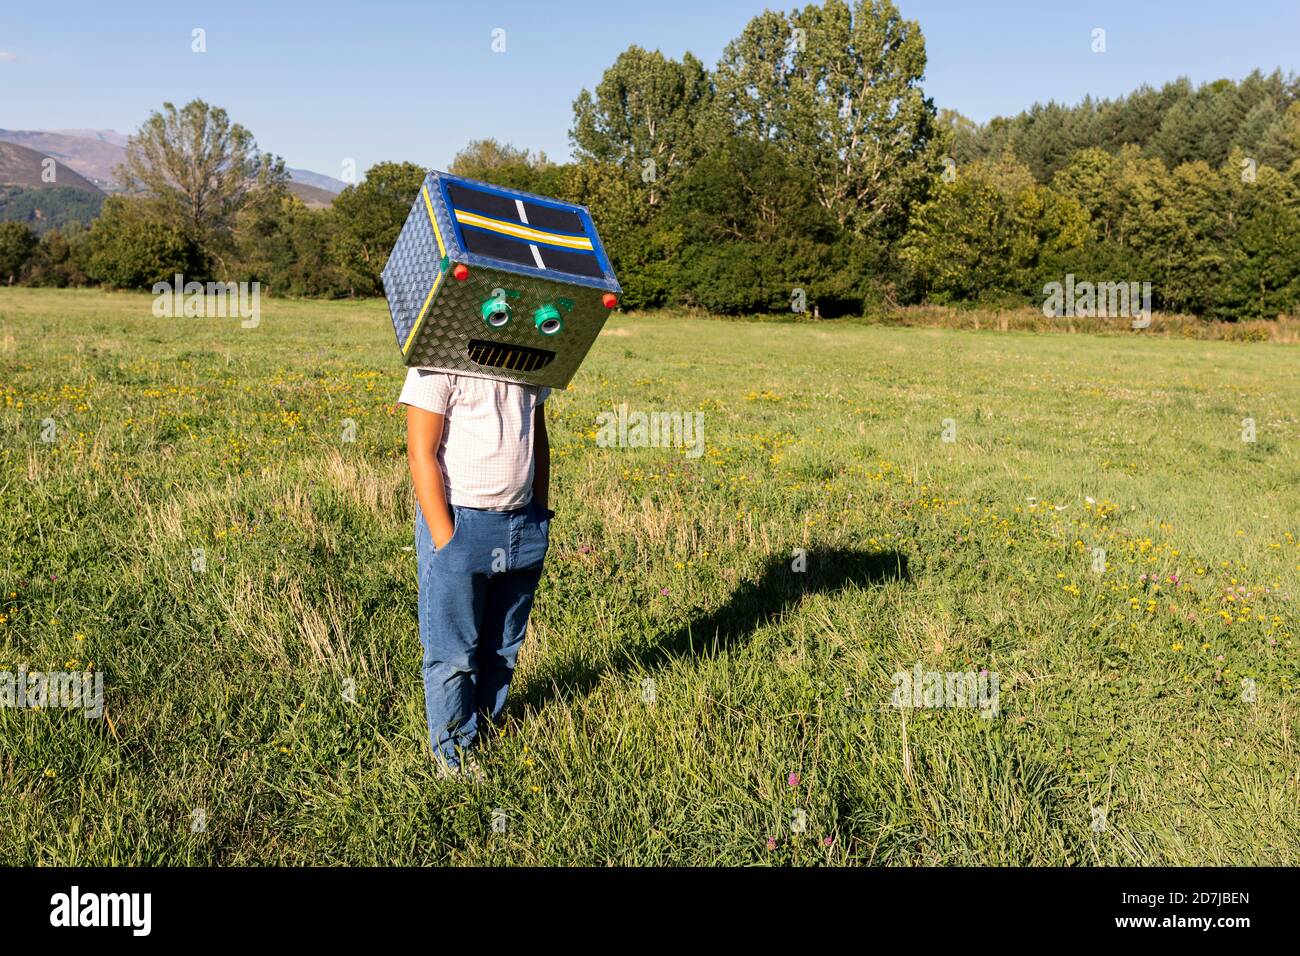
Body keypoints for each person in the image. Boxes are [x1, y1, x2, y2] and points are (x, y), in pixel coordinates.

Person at [400, 366, 553, 778]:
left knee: (504, 646)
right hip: (461, 521)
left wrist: (537, 510)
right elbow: (420, 452)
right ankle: (453, 756)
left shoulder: (530, 357)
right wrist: (445, 537)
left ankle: (485, 730)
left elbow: (538, 438)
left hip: (522, 523)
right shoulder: (435, 361)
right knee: (453, 654)